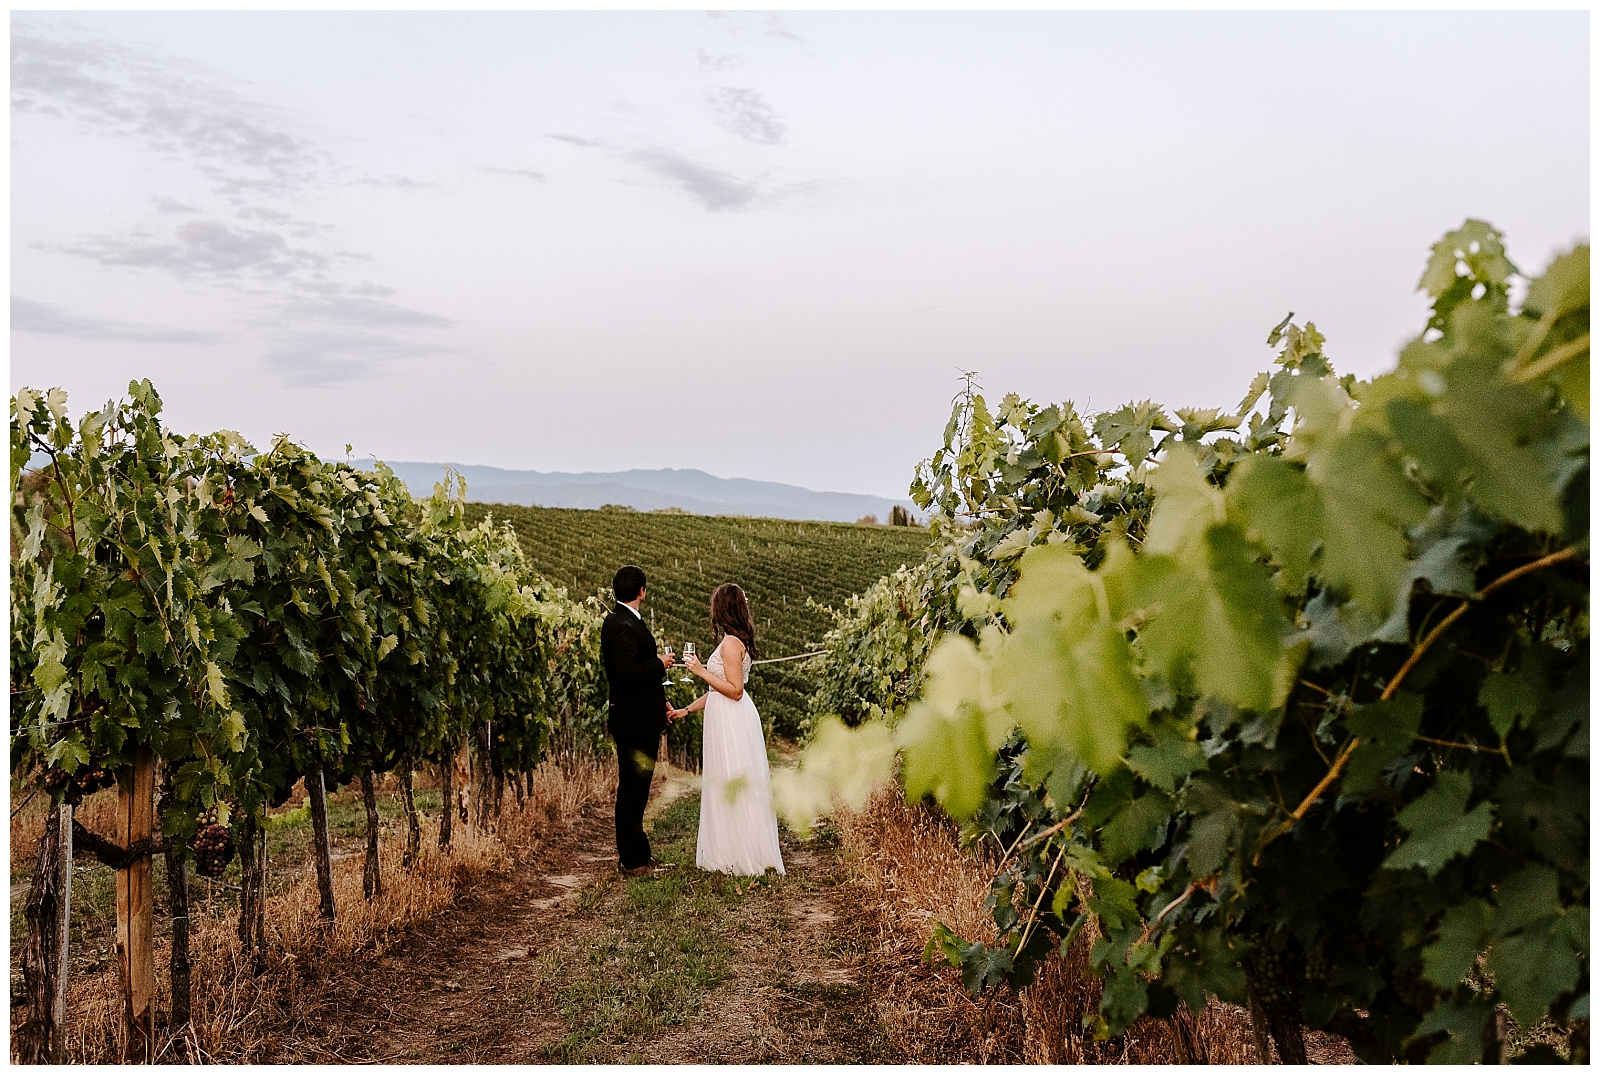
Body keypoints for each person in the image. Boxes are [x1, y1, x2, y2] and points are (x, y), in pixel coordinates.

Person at [671, 582, 785, 877]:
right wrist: (686, 710)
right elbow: (716, 692)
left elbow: (734, 691)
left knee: (733, 780)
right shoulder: (732, 641)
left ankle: (741, 852)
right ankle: (729, 847)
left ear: (721, 608)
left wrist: (699, 670)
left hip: (733, 720)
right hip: (726, 716)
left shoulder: (732, 643)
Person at [599, 565, 679, 876]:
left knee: (636, 789)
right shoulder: (622, 624)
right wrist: (659, 663)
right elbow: (626, 674)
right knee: (634, 790)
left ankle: (637, 855)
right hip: (634, 724)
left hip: (639, 717)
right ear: (642, 592)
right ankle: (633, 860)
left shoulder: (620, 620)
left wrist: (660, 701)